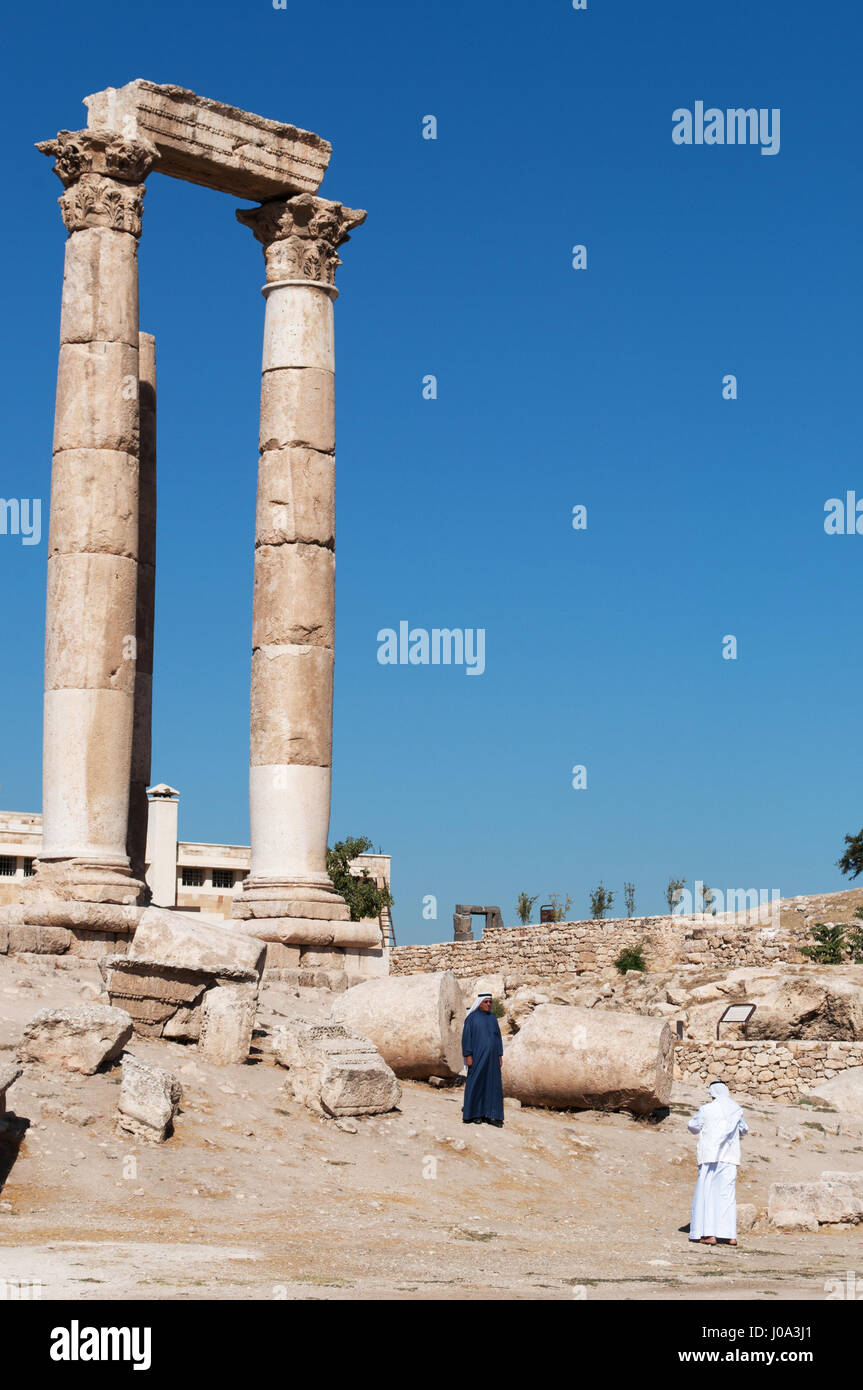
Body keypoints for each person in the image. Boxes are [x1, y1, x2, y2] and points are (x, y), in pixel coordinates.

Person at [687, 1080, 749, 1246]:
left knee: (707, 1193)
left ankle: (708, 1234)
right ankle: (729, 1235)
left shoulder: (707, 1109)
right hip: (730, 1157)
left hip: (710, 1156)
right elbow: (744, 1129)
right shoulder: (737, 1109)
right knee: (727, 1196)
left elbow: (692, 1126)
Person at [461, 992, 504, 1127]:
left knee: (492, 1085)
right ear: (479, 1003)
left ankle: (492, 1115)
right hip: (477, 1057)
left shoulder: (493, 1018)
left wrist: (500, 1055)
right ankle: (474, 1114)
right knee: (476, 1083)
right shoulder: (472, 1018)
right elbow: (466, 1038)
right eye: (485, 1002)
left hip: (492, 1058)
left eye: (490, 1002)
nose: (488, 1004)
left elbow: (498, 1038)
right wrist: (468, 1055)